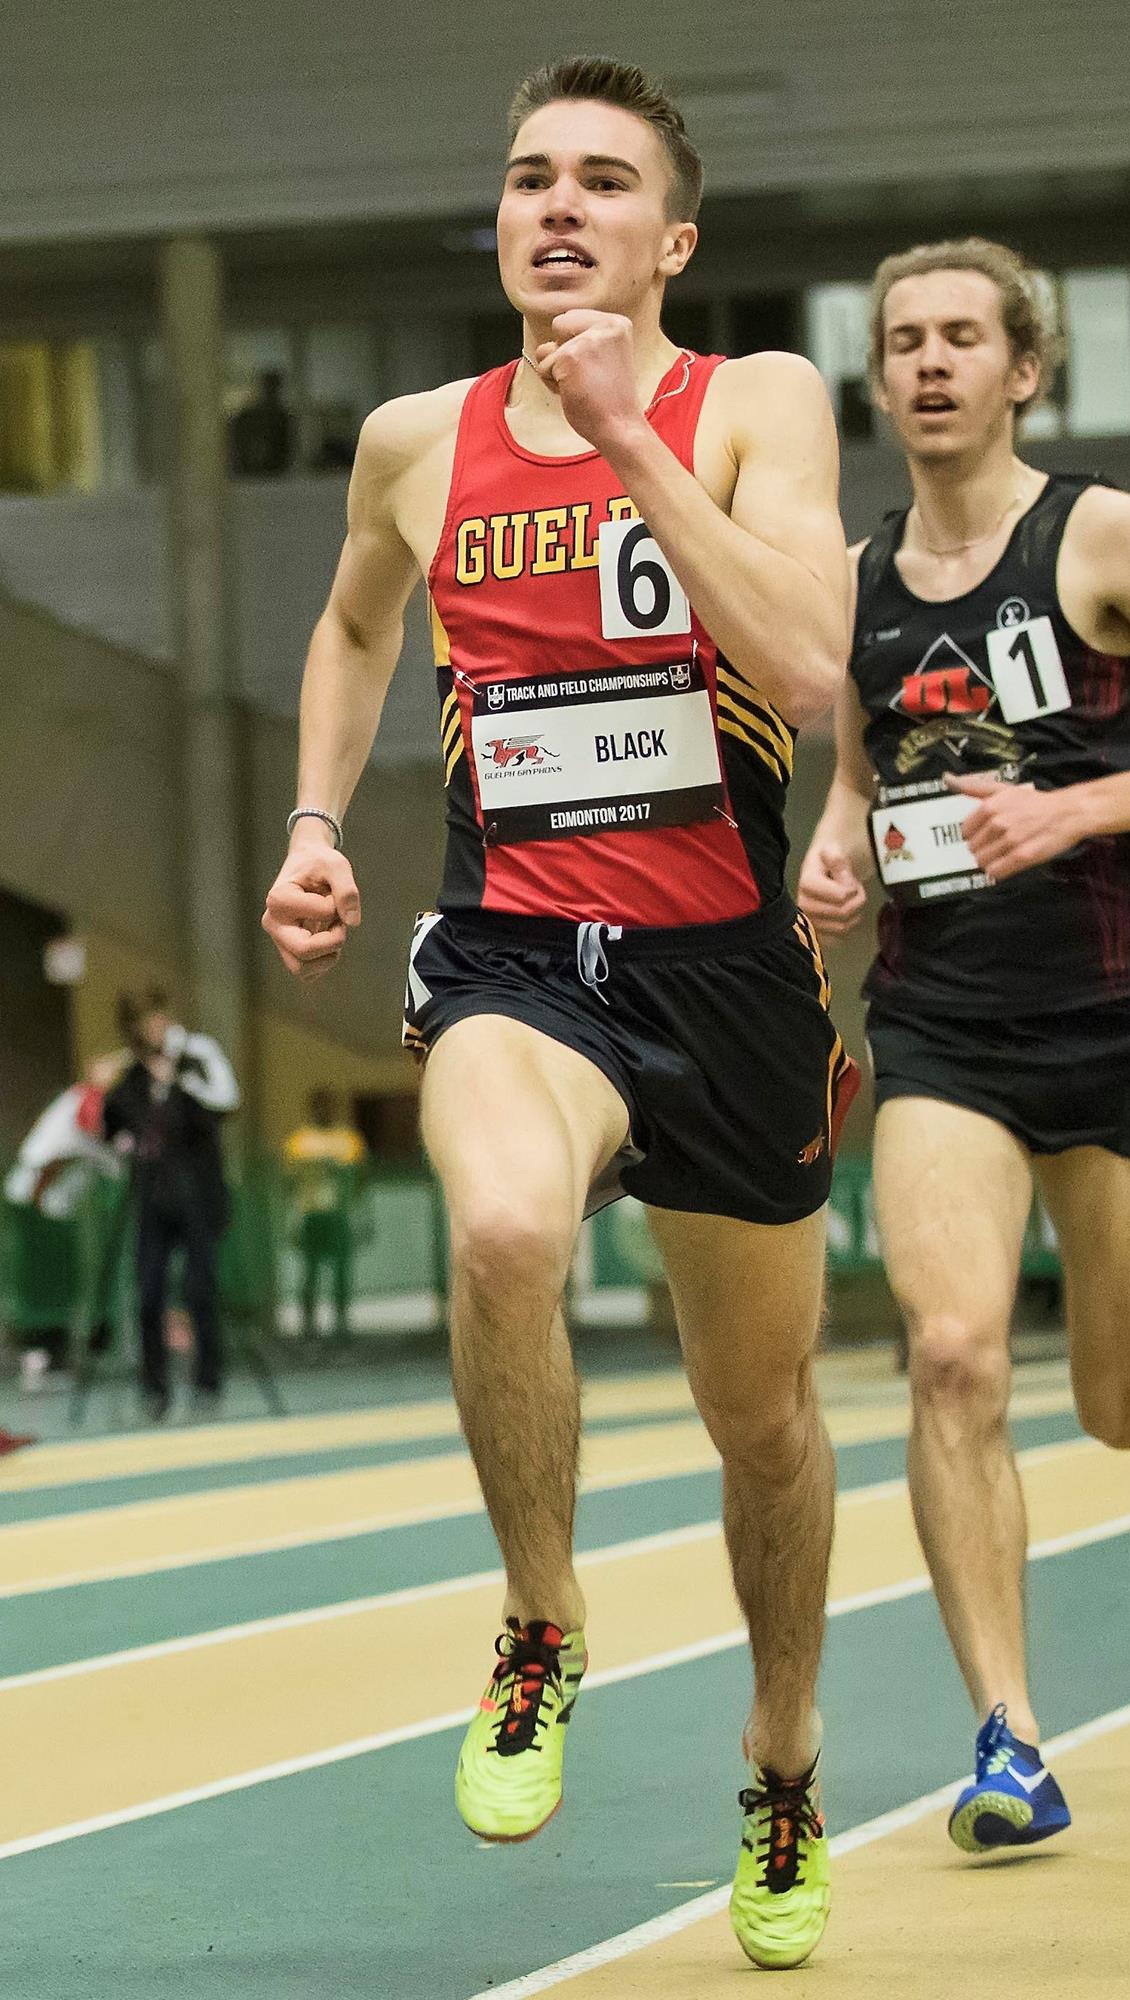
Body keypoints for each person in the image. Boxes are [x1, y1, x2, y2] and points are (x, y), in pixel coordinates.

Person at [261, 57, 854, 1971]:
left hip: (728, 973)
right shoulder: (414, 441)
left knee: (756, 1421)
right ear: (502, 221)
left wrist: (626, 440)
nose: (560, 206)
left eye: (604, 181)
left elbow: (813, 667)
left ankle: (777, 1758)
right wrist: (312, 824)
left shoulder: (749, 403)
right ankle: (541, 1617)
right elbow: (357, 623)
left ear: (669, 239)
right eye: (530, 177)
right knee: (503, 1223)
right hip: (516, 952)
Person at [798, 237, 1130, 1856]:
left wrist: (1070, 805)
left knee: (1120, 1407)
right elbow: (853, 790)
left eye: (963, 337)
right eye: (902, 342)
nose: (930, 362)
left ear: (1022, 369)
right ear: (878, 380)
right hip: (937, 1027)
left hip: (1113, 1026)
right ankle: (1006, 1739)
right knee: (948, 1355)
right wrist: (832, 857)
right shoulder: (851, 577)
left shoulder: (1095, 533)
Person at [102, 988, 241, 1418]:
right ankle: (154, 1388)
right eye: (143, 1021)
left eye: (157, 1016)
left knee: (200, 1290)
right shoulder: (132, 1074)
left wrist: (179, 1079)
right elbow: (113, 1126)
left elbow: (226, 1100)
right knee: (148, 1293)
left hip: (198, 1194)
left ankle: (207, 1382)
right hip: (152, 1197)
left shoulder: (196, 1053)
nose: (153, 1027)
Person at [4, 1054, 125, 1385]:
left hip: (51, 1205)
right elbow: (99, 1135)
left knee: (60, 1277)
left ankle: (54, 1352)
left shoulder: (92, 1101)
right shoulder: (85, 1098)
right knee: (43, 1281)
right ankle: (40, 1353)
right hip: (36, 1197)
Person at [282, 1089, 367, 1342]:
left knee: (341, 1272)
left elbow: (360, 1180)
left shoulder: (348, 1140)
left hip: (338, 1215)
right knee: (310, 1274)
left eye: (328, 1106)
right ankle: (309, 1327)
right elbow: (289, 1184)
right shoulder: (300, 1141)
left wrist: (361, 1216)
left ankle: (341, 1325)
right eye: (319, 1107)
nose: (324, 1112)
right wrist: (292, 1219)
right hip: (311, 1214)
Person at [229, 370, 295, 477]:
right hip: (250, 474)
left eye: (273, 387)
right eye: (268, 387)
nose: (270, 391)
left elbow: (286, 448)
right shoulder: (247, 417)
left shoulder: (282, 418)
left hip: (275, 473)